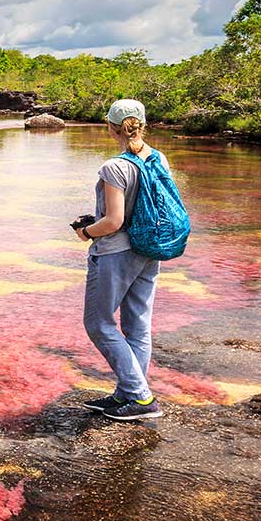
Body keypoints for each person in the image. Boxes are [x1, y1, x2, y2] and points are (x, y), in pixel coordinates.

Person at [75, 98, 164, 421]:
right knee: (137, 325)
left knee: (98, 323)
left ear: (111, 127)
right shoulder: (158, 159)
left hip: (115, 252)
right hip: (149, 249)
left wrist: (86, 232)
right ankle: (127, 394)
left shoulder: (115, 167)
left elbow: (112, 222)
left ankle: (141, 398)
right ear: (141, 124)